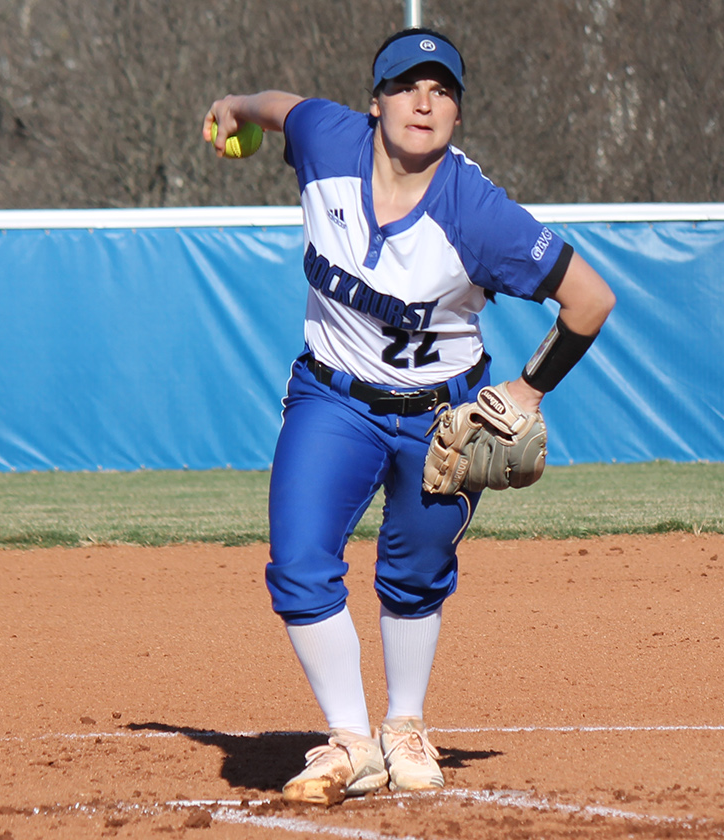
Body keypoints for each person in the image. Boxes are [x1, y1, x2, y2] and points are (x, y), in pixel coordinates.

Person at [203, 28, 615, 805]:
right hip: (333, 397)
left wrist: (525, 393)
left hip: (442, 415)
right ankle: (352, 740)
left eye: (444, 89)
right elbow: (273, 107)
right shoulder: (328, 138)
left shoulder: (478, 214)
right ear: (375, 102)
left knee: (416, 572)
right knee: (298, 563)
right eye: (406, 85)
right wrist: (234, 110)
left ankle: (405, 725)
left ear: (457, 113)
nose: (424, 100)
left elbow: (591, 301)